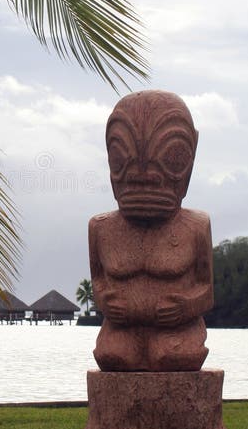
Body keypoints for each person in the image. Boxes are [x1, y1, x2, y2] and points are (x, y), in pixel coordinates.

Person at [89, 90, 213, 371]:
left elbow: (207, 290)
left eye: (172, 157)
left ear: (190, 157)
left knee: (175, 357)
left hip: (178, 331)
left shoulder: (195, 226)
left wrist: (186, 307)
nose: (144, 176)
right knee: (112, 356)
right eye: (122, 159)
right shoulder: (101, 228)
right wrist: (107, 303)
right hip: (120, 331)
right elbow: (98, 281)